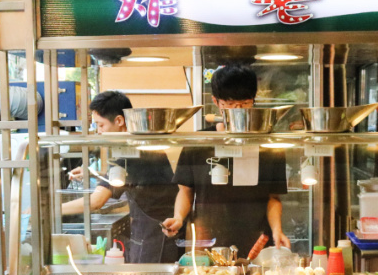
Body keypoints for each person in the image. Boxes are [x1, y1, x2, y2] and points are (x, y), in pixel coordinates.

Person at [161, 64, 290, 256]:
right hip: (208, 240)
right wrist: (178, 218)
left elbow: (273, 198)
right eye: (229, 104)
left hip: (258, 242)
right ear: (216, 101)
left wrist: (277, 230)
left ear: (254, 100)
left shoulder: (267, 144)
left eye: (245, 103)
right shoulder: (199, 142)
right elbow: (186, 191)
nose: (237, 110)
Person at [61, 91, 179, 264]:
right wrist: (94, 173)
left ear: (119, 121)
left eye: (101, 125)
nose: (99, 132)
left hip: (157, 232)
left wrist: (51, 209)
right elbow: (129, 177)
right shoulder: (136, 143)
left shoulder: (129, 151)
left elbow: (96, 201)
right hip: (152, 229)